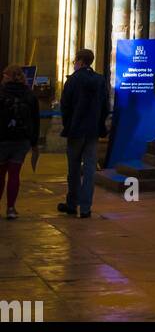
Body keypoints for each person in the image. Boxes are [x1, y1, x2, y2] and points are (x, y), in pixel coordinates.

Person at [58, 49, 109, 219]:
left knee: (73, 169)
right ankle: (86, 208)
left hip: (76, 130)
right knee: (89, 171)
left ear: (79, 61)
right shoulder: (100, 80)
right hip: (92, 130)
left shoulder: (73, 80)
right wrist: (100, 125)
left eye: (75, 61)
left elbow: (65, 106)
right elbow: (105, 107)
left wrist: (69, 125)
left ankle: (72, 204)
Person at [0, 65, 40, 219]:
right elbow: (35, 120)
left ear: (8, 76)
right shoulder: (29, 95)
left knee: (1, 174)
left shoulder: (1, 92)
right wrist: (34, 142)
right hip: (21, 140)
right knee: (14, 174)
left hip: (2, 138)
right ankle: (10, 208)